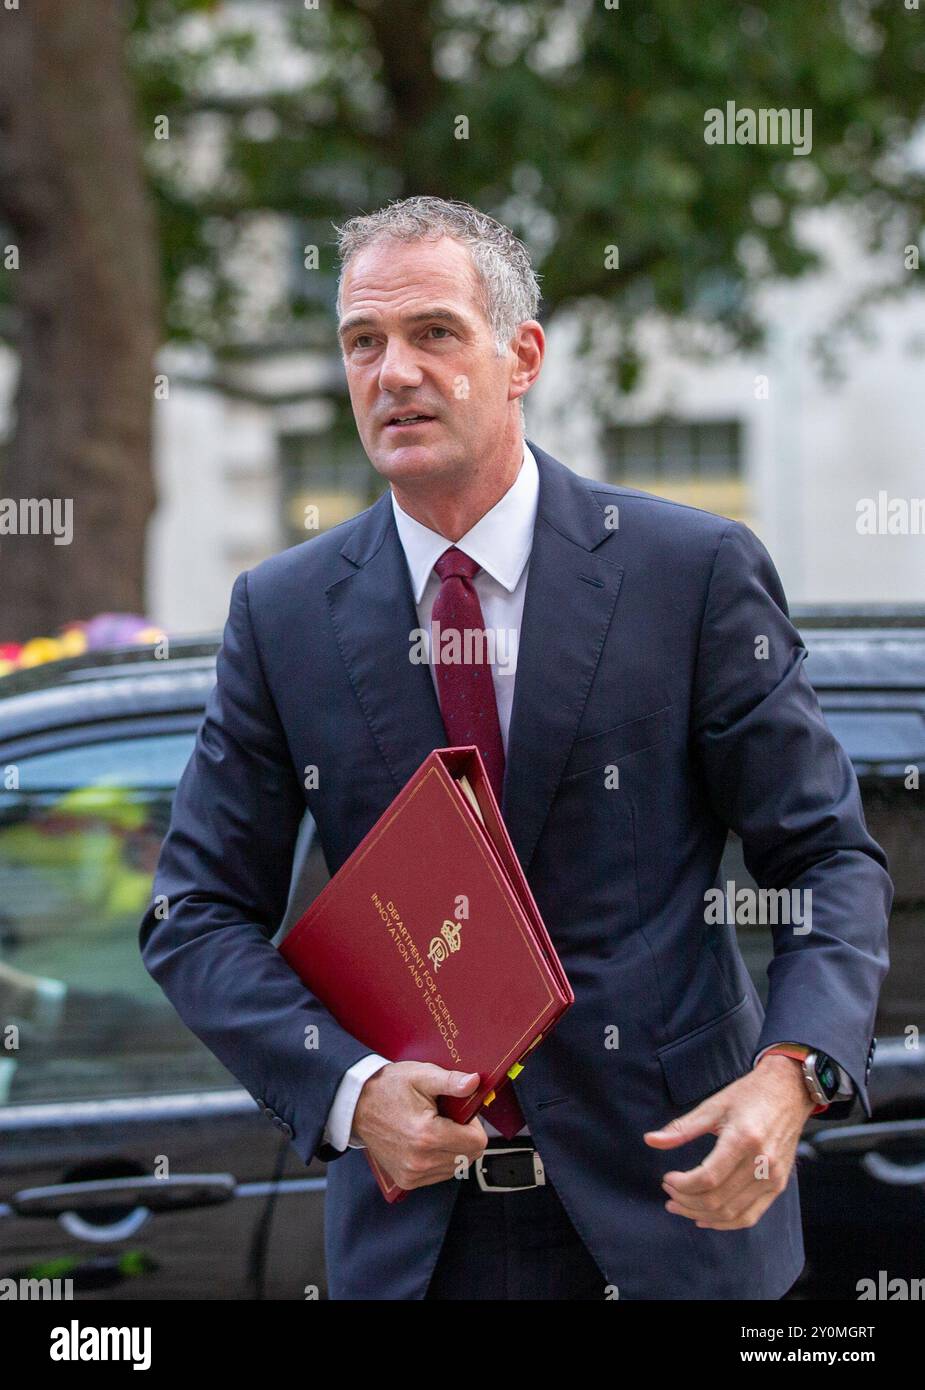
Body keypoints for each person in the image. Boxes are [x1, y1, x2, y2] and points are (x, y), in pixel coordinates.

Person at [139, 195, 892, 1300]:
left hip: (674, 1216)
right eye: (362, 342)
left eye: (432, 332)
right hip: (418, 1246)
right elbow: (193, 912)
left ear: (521, 353)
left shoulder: (688, 573)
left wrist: (791, 1074)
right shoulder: (282, 613)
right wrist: (349, 1089)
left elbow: (828, 859)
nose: (391, 371)